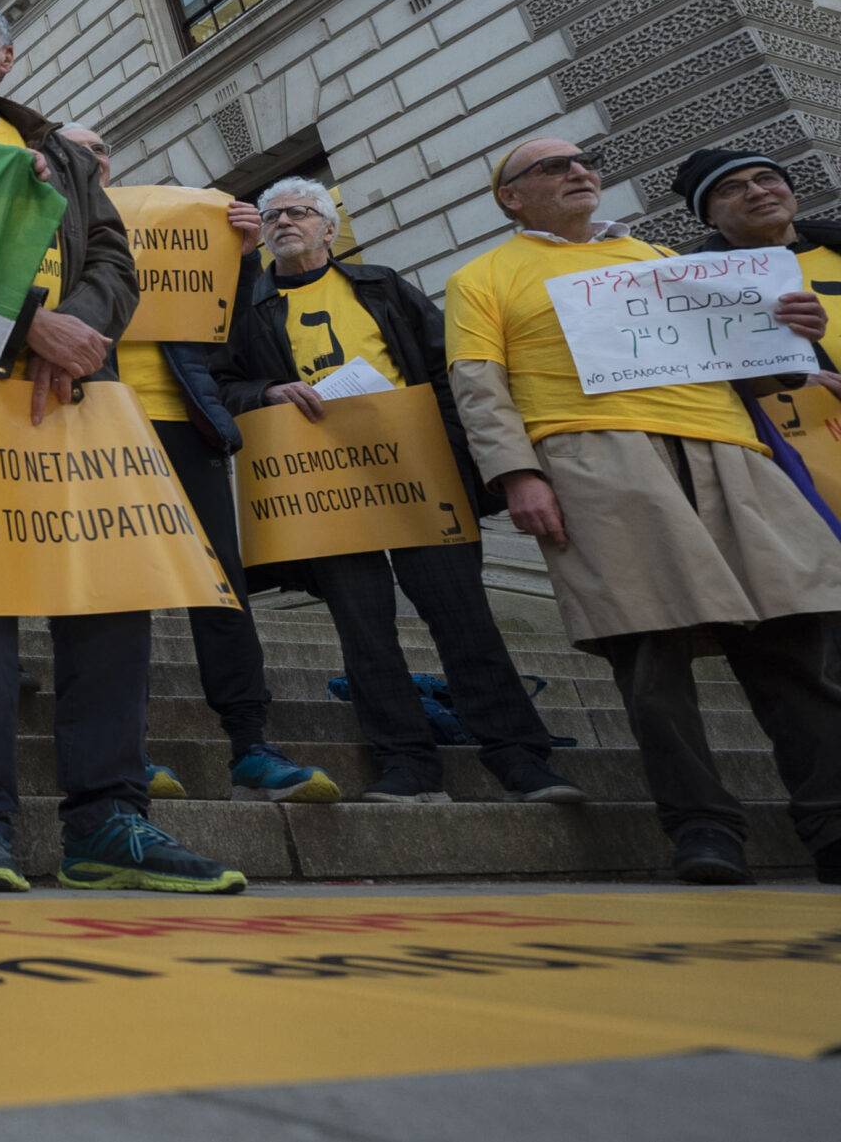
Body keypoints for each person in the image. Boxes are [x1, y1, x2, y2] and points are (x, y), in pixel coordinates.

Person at [0, 0, 245, 894]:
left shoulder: (61, 153)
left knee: (108, 609)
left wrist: (82, 331)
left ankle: (107, 819)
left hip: (78, 404)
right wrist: (33, 327)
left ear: (7, 58)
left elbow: (113, 258)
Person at [446, 137, 841, 885]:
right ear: (511, 196)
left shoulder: (666, 258)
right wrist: (517, 474)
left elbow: (747, 370)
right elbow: (478, 383)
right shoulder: (483, 276)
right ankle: (702, 827)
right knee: (651, 655)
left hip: (728, 452)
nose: (578, 171)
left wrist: (794, 338)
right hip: (598, 463)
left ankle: (832, 821)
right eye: (553, 166)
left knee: (794, 640)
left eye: (585, 161)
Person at [217, 177, 583, 805]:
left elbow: (446, 369)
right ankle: (405, 764)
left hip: (417, 476)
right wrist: (267, 393)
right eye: (273, 215)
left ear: (330, 230)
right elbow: (222, 385)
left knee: (465, 620)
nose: (283, 223)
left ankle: (521, 759)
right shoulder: (245, 309)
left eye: (300, 212)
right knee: (364, 632)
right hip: (323, 492)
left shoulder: (381, 286)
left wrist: (454, 456)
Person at [53, 124, 338, 807]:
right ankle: (123, 749)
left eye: (98, 151)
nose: (89, 161)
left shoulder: (171, 221)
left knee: (220, 590)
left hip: (186, 423)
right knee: (111, 593)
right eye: (72, 152)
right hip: (94, 423)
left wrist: (236, 259)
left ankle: (251, 744)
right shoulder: (46, 229)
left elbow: (228, 336)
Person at [677, 149, 840, 389]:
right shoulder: (694, 290)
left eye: (767, 178)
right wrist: (780, 381)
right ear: (709, 217)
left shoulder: (835, 246)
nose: (758, 191)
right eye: (731, 189)